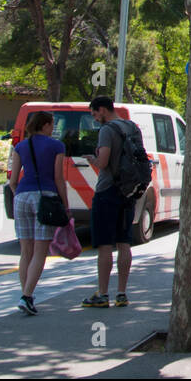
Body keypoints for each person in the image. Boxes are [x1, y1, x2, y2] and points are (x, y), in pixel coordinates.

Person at [7, 110, 67, 315]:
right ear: (46, 125)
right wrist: (64, 204)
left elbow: (13, 180)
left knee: (26, 251)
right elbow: (58, 178)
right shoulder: (57, 146)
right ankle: (26, 297)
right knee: (41, 252)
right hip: (45, 198)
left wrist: (20, 194)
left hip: (21, 196)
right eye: (52, 124)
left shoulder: (20, 146)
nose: (53, 128)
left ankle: (26, 295)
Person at [82, 96, 132, 308]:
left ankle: (103, 294)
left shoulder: (107, 130)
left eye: (94, 113)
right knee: (124, 243)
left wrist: (91, 160)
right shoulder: (131, 127)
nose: (94, 118)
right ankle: (122, 293)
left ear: (102, 110)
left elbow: (103, 162)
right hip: (129, 191)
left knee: (104, 245)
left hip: (108, 190)